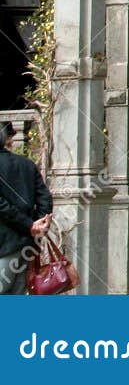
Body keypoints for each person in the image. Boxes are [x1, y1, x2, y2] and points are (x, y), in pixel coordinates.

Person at [0, 122, 52, 294]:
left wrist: (31, 225)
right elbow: (45, 197)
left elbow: (2, 207)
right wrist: (38, 224)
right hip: (26, 245)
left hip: (5, 245)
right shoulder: (26, 164)